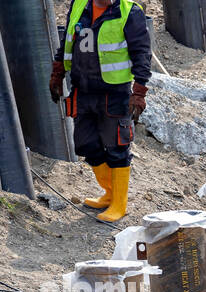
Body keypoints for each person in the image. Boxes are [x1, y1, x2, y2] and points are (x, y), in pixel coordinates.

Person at [49, 0, 152, 223]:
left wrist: (139, 91)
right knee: (85, 144)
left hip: (114, 92)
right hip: (83, 89)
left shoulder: (129, 12)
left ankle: (119, 203)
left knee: (117, 147)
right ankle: (109, 193)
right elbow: (67, 40)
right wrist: (58, 71)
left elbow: (142, 53)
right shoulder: (79, 5)